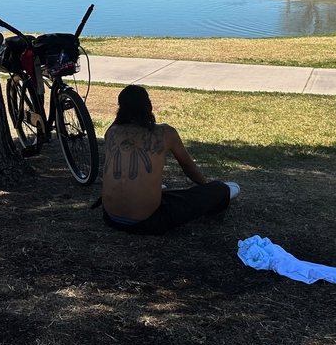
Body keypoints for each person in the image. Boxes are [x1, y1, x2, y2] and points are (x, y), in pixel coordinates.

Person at [99, 85, 238, 235]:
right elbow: (187, 166)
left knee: (163, 193)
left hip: (110, 218)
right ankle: (216, 192)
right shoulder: (165, 133)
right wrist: (205, 188)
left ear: (120, 108)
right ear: (149, 105)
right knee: (221, 188)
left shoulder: (111, 132)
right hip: (149, 222)